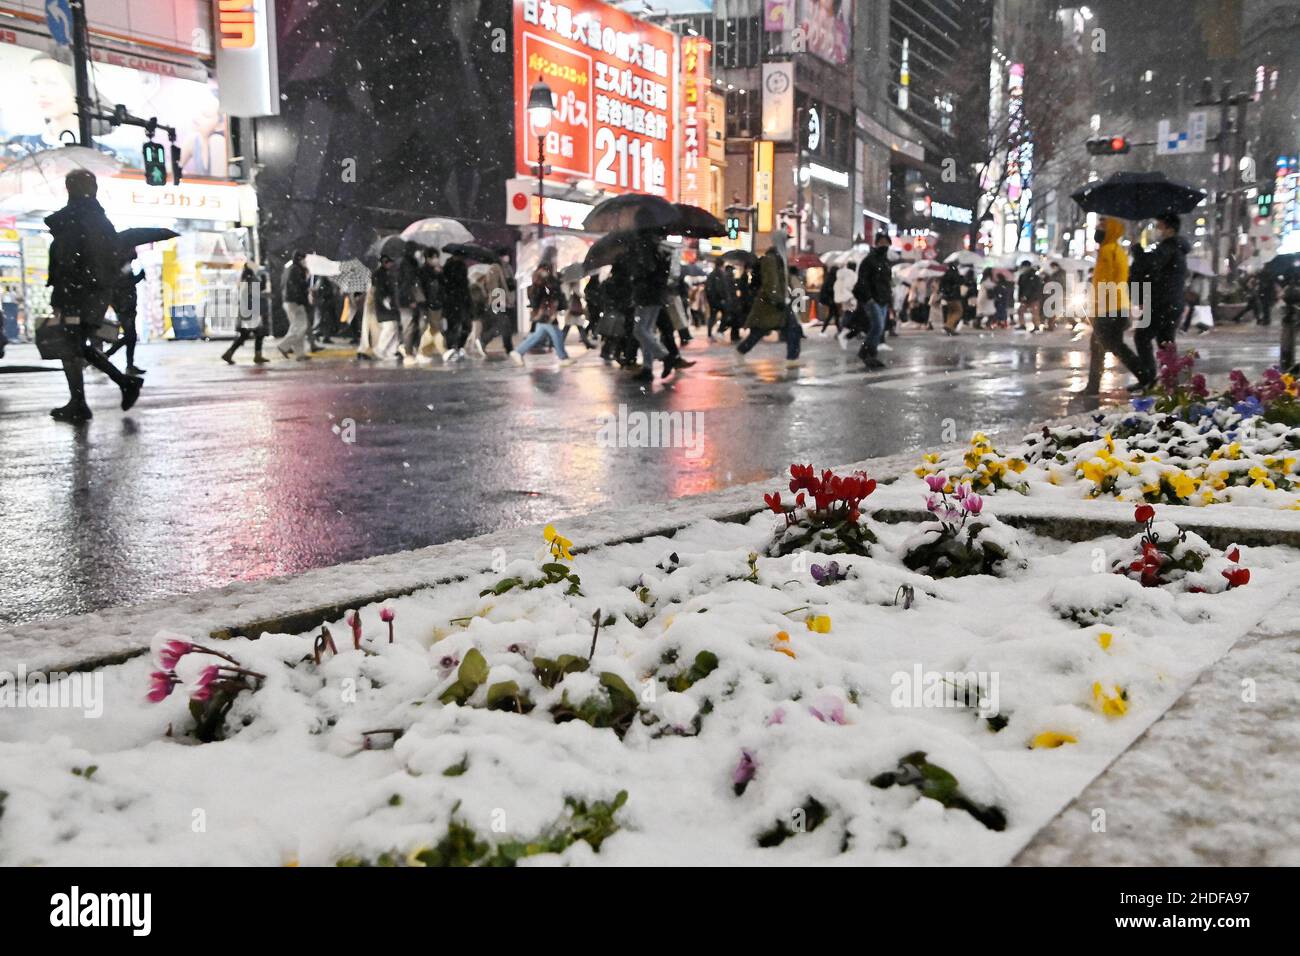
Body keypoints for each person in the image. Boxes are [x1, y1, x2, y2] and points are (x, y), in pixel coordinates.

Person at [44, 169, 142, 422]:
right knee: (76, 345)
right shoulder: (93, 219)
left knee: (71, 346)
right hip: (88, 291)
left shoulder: (82, 219)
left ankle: (92, 396)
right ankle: (99, 392)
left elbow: (72, 258)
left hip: (79, 292)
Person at [1084, 217, 1143, 394]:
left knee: (1100, 346)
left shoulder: (1109, 251)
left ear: (1110, 230)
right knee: (1115, 346)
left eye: (1101, 226)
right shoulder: (1115, 250)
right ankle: (1145, 374)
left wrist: (1096, 307)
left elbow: (1106, 282)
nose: (1097, 229)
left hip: (1110, 308)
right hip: (1116, 307)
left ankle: (1093, 387)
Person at [1136, 212, 1190, 386]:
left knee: (1143, 337)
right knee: (1166, 343)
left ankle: (1150, 378)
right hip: (1172, 302)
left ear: (1169, 229)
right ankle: (1171, 381)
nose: (1157, 230)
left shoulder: (1168, 248)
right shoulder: (1178, 249)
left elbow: (1150, 266)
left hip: (1162, 303)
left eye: (1159, 226)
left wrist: (1138, 251)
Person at [737, 232, 800, 364]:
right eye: (785, 241)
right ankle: (741, 350)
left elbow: (783, 281)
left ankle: (792, 358)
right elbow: (770, 283)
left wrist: (789, 295)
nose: (787, 244)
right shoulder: (771, 259)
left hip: (777, 302)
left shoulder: (780, 258)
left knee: (792, 328)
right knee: (760, 331)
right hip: (770, 304)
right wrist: (777, 300)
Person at [625, 232, 675, 380]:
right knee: (647, 331)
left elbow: (647, 270)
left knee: (639, 331)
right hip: (656, 295)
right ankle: (647, 368)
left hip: (646, 295)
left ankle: (665, 356)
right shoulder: (662, 249)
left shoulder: (646, 249)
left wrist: (635, 275)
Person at [511, 264, 572, 367]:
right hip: (545, 311)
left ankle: (518, 352)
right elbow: (549, 291)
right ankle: (563, 357)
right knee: (556, 334)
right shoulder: (543, 277)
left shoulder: (545, 277)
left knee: (538, 336)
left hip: (547, 310)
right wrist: (555, 281)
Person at [103, 247, 145, 376]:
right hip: (124, 306)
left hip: (126, 305)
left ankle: (129, 364)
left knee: (130, 337)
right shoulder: (122, 264)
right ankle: (106, 355)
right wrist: (139, 276)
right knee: (130, 336)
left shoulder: (123, 264)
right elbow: (124, 284)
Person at [852, 233, 892, 368]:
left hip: (883, 298)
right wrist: (868, 298)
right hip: (872, 298)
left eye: (886, 242)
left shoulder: (885, 262)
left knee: (879, 328)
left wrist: (888, 297)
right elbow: (863, 280)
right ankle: (866, 352)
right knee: (878, 326)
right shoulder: (869, 260)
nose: (884, 245)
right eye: (881, 242)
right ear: (876, 243)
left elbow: (887, 282)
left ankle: (870, 354)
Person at [222, 262, 271, 365]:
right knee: (257, 333)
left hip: (247, 310)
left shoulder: (245, 279)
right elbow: (253, 295)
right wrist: (265, 295)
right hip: (250, 311)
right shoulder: (250, 279)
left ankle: (230, 353)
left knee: (247, 334)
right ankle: (256, 355)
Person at [277, 250, 312, 360]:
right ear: (299, 259)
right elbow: (298, 286)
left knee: (297, 327)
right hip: (295, 302)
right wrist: (307, 280)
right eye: (304, 259)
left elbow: (284, 285)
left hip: (288, 301)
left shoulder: (290, 268)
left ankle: (300, 354)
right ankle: (283, 346)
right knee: (301, 327)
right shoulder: (296, 270)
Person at [440, 250, 472, 362]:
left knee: (465, 325)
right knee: (453, 326)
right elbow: (450, 284)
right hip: (453, 301)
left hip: (461, 300)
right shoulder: (449, 267)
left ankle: (458, 347)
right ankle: (452, 348)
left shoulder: (460, 266)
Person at [1016, 260, 1042, 331]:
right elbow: (1020, 287)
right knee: (1020, 311)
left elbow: (1032, 287)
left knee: (1034, 312)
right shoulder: (1022, 276)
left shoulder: (1033, 276)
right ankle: (1022, 324)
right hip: (1025, 298)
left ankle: (1036, 326)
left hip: (1033, 297)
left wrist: (1025, 295)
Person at [939, 262, 964, 335]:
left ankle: (950, 327)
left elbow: (941, 286)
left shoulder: (945, 275)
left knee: (951, 311)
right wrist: (961, 276)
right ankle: (949, 326)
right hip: (955, 296)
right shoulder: (955, 274)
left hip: (947, 297)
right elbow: (961, 282)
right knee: (958, 311)